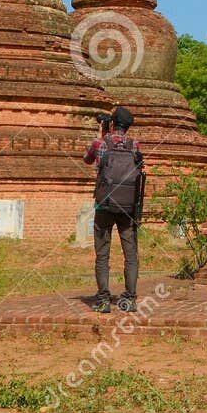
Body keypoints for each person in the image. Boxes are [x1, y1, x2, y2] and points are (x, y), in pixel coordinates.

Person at [84, 105, 144, 313]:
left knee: (102, 253)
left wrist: (101, 134)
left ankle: (103, 300)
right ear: (128, 127)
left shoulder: (100, 143)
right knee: (131, 254)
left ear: (111, 123)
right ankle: (130, 299)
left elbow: (87, 159)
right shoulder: (135, 145)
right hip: (128, 206)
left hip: (104, 205)